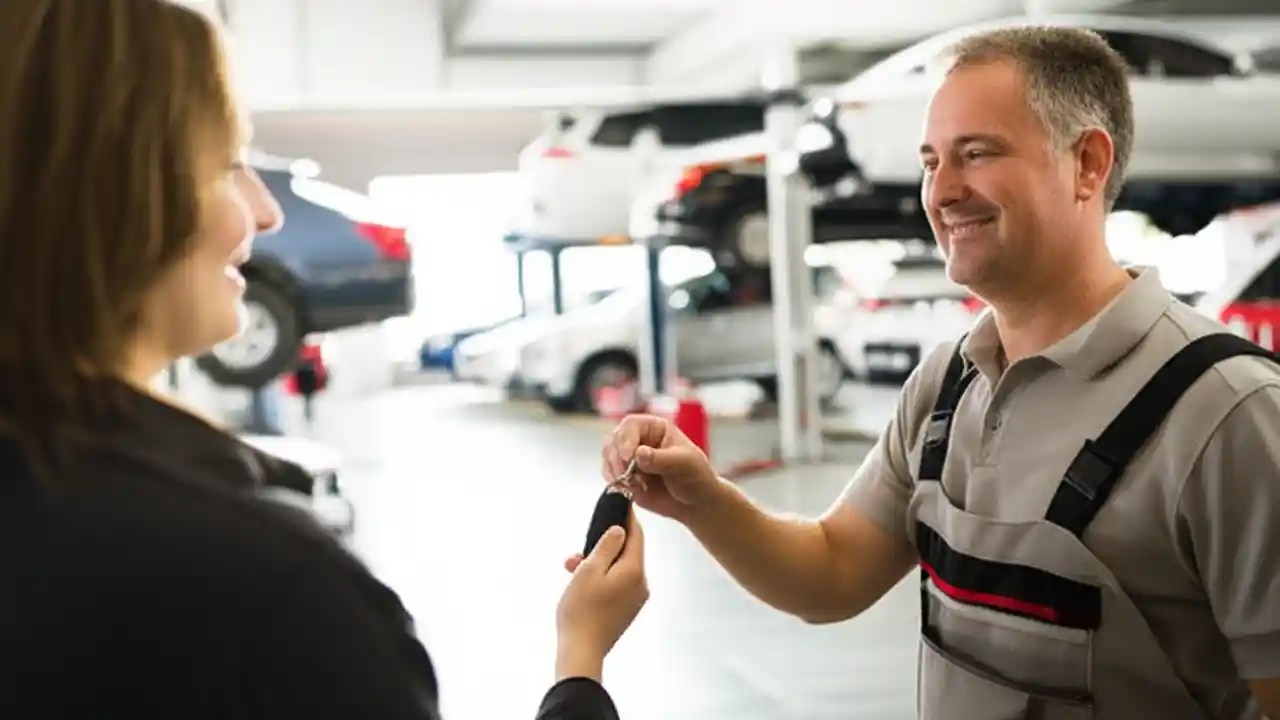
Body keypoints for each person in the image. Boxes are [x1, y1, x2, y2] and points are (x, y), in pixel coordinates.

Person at [603, 25, 1280, 719]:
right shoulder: (948, 387)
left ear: (1087, 164)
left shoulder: (1229, 414)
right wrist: (702, 500)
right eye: (931, 162)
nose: (942, 191)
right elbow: (832, 572)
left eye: (977, 154)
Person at [0, 2, 646, 718]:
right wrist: (581, 661)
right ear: (112, 196)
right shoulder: (257, 587)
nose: (265, 212)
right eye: (223, 164)